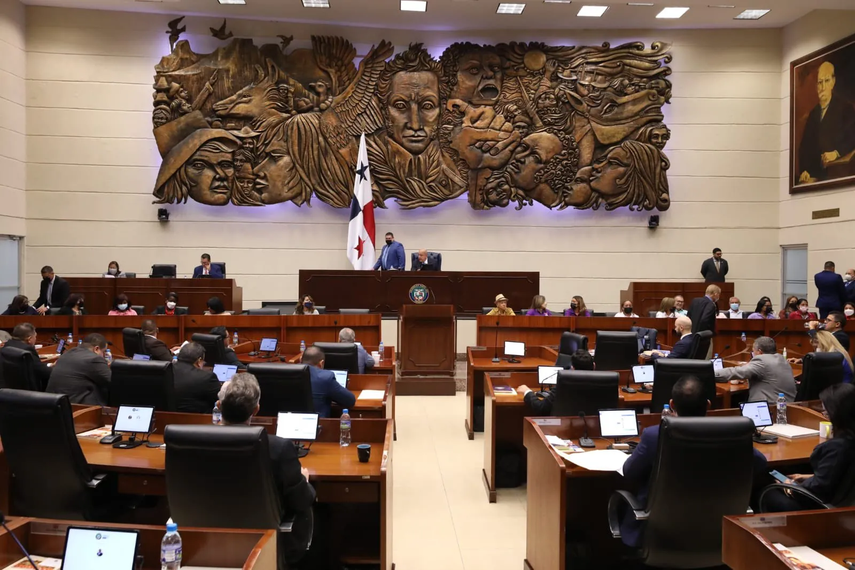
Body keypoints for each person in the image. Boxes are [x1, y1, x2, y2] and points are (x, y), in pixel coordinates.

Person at [619, 376, 768, 546]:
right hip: (718, 531)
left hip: (663, 532)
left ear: (672, 405)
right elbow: (760, 464)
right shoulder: (732, 433)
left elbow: (630, 472)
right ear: (708, 404)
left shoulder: (654, 435)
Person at [217, 373, 315, 563]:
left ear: (219, 406)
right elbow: (302, 500)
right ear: (256, 410)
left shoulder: (189, 441)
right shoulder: (279, 448)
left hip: (206, 541)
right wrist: (303, 480)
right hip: (266, 542)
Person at [762, 384, 855, 512]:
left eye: (826, 413)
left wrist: (790, 488)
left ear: (837, 415)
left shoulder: (837, 448)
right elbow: (841, 476)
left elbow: (818, 490)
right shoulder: (848, 441)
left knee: (766, 492)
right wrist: (807, 477)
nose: (824, 415)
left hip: (823, 508)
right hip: (844, 503)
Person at [797, 61, 855, 183]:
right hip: (814, 175)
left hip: (837, 175)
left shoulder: (846, 109)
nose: (822, 87)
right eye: (819, 82)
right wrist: (805, 170)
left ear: (833, 82)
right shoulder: (813, 114)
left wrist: (836, 153)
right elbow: (804, 149)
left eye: (826, 81)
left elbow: (852, 138)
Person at [714, 336, 796, 403]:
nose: (752, 354)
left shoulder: (762, 361)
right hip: (788, 406)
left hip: (769, 409)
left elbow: (735, 372)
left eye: (753, 351)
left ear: (759, 352)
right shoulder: (782, 359)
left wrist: (709, 373)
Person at [517, 350, 594, 416]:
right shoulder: (603, 384)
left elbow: (541, 408)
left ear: (572, 368)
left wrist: (527, 392)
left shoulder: (565, 386)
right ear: (594, 366)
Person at [45, 333, 111, 405]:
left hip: (53, 405)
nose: (104, 356)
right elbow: (112, 382)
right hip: (77, 408)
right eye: (103, 352)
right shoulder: (94, 358)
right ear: (96, 349)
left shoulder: (67, 354)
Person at [300, 346, 356, 418]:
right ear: (321, 363)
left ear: (300, 359)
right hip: (318, 425)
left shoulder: (287, 373)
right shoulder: (325, 377)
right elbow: (350, 400)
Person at [173, 342, 220, 413]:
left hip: (166, 418)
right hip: (199, 420)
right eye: (203, 362)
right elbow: (220, 399)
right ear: (199, 361)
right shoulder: (207, 377)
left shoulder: (166, 371)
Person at [2, 323, 52, 388]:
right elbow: (43, 372)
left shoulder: (7, 346)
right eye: (35, 336)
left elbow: (35, 366)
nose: (35, 339)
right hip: (28, 392)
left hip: (9, 390)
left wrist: (49, 365)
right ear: (29, 339)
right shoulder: (27, 350)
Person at [687, 284, 720, 357]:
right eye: (718, 294)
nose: (718, 297)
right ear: (715, 294)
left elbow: (688, 317)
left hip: (691, 335)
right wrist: (707, 333)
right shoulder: (711, 304)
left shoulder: (694, 301)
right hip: (704, 337)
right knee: (705, 358)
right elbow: (705, 320)